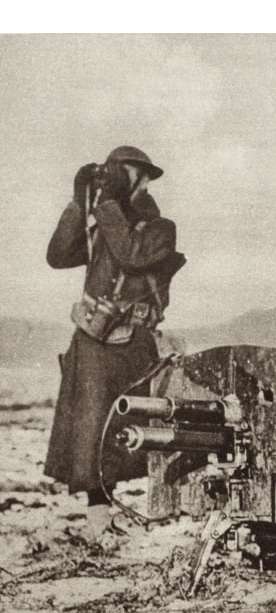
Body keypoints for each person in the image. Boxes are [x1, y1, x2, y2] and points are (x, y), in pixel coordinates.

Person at [44, 146, 186, 546]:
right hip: (94, 339)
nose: (114, 180)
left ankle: (159, 518)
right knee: (89, 432)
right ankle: (98, 520)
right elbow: (58, 256)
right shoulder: (105, 226)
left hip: (133, 344)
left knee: (131, 432)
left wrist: (106, 203)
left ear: (144, 177)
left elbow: (131, 255)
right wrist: (79, 203)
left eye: (121, 173)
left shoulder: (161, 229)